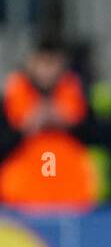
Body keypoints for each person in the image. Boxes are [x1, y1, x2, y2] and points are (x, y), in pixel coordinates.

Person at [1, 40, 99, 209]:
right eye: (42, 62)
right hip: (20, 200)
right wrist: (25, 128)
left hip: (71, 196)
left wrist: (69, 124)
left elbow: (97, 136)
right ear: (31, 62)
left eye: (52, 63)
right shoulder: (11, 99)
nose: (46, 70)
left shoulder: (78, 97)